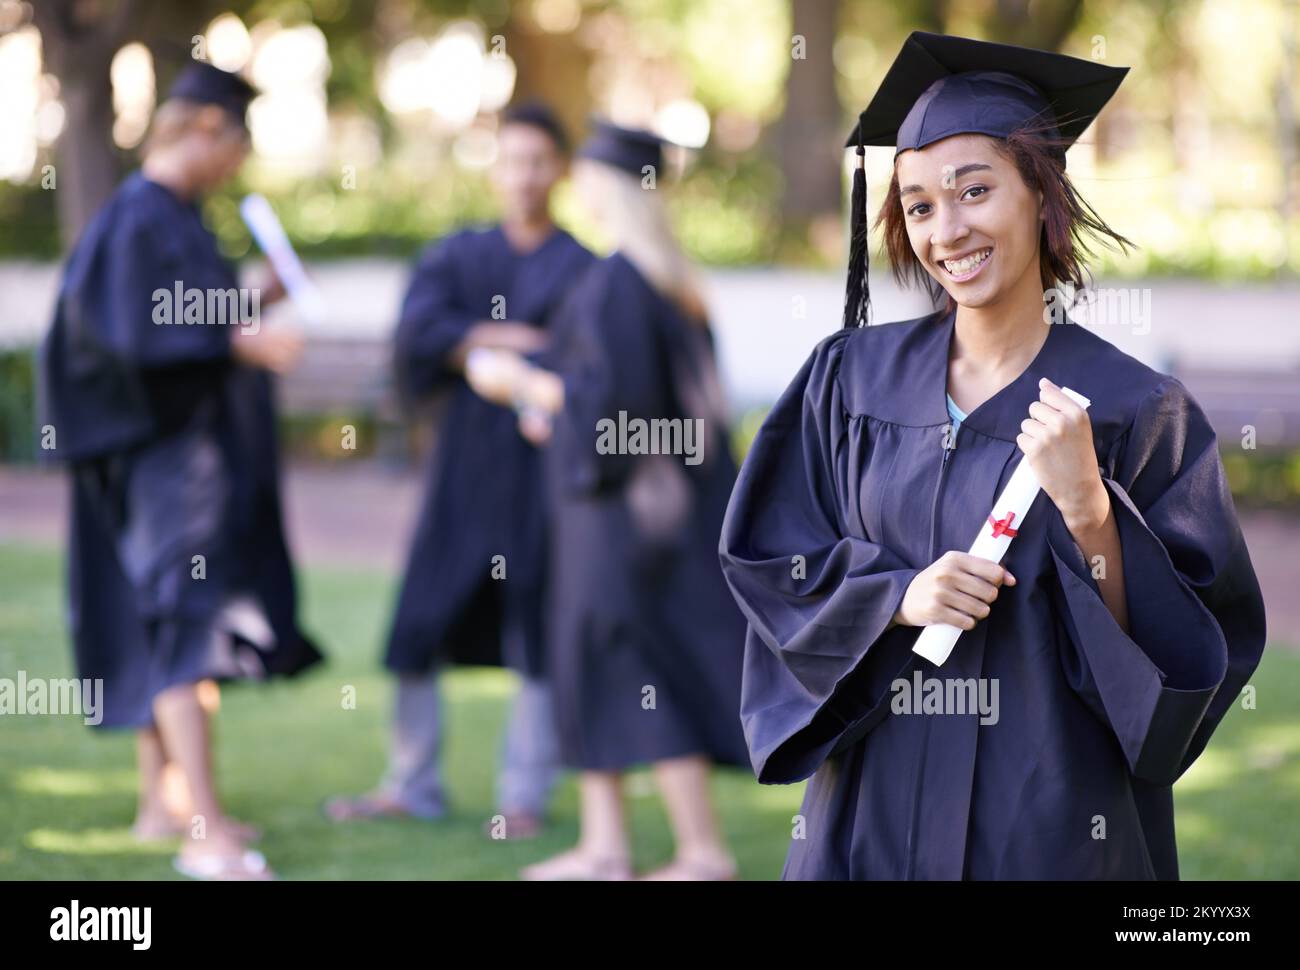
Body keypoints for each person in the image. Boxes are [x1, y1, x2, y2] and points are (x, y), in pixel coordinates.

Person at [717, 31, 1267, 880]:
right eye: (920, 204)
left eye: (975, 191)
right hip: (870, 805)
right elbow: (767, 561)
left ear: (1042, 199)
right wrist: (894, 597)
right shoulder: (848, 379)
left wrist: (1091, 512)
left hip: (1047, 819)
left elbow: (1188, 660)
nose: (947, 229)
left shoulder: (1135, 410)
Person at [39, 61, 321, 880]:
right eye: (235, 144)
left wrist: (247, 305)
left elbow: (173, 317)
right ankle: (203, 831)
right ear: (204, 128)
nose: (238, 164)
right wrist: (242, 338)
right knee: (185, 625)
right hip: (165, 459)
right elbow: (137, 332)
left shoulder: (171, 218)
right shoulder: (141, 217)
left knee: (160, 618)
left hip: (168, 453)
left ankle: (162, 804)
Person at [466, 121, 749, 880]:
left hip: (624, 514)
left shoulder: (623, 280)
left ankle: (702, 852)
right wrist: (553, 410)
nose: (574, 187)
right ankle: (605, 848)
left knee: (638, 668)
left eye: (586, 175)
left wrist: (520, 383)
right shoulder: (670, 282)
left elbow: (613, 410)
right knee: (595, 663)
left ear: (612, 188)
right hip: (649, 505)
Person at [325, 102, 594, 837]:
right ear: (495, 166)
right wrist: (499, 335)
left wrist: (488, 351)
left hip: (539, 478)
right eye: (511, 160)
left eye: (538, 161)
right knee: (418, 623)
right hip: (462, 469)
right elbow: (418, 334)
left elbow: (589, 360)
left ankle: (524, 798)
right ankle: (411, 783)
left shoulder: (582, 266)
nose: (523, 176)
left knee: (536, 629)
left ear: (559, 169)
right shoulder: (456, 254)